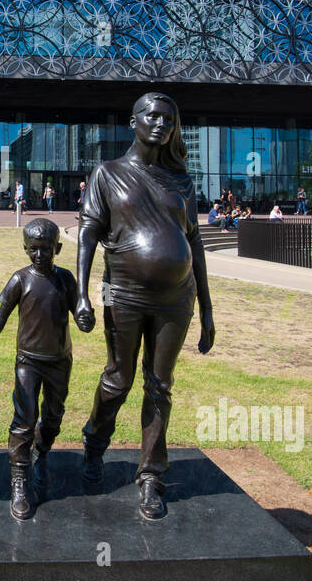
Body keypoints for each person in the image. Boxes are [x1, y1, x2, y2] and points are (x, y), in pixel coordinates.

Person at [75, 92, 215, 522]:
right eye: (151, 116)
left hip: (177, 299)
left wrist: (208, 310)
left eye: (169, 118)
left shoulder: (182, 181)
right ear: (132, 122)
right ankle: (95, 442)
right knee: (118, 379)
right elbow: (87, 235)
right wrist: (81, 293)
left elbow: (195, 242)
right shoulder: (108, 174)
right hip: (125, 295)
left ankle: (151, 476)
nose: (160, 123)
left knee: (160, 385)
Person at [0, 218, 82, 519]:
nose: (40, 255)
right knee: (24, 420)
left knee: (53, 416)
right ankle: (19, 481)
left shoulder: (65, 280)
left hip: (59, 361)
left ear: (58, 248)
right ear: (25, 249)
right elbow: (1, 316)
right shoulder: (20, 280)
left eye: (46, 249)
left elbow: (79, 313)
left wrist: (85, 317)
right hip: (28, 361)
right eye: (34, 249)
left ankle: (43, 451)